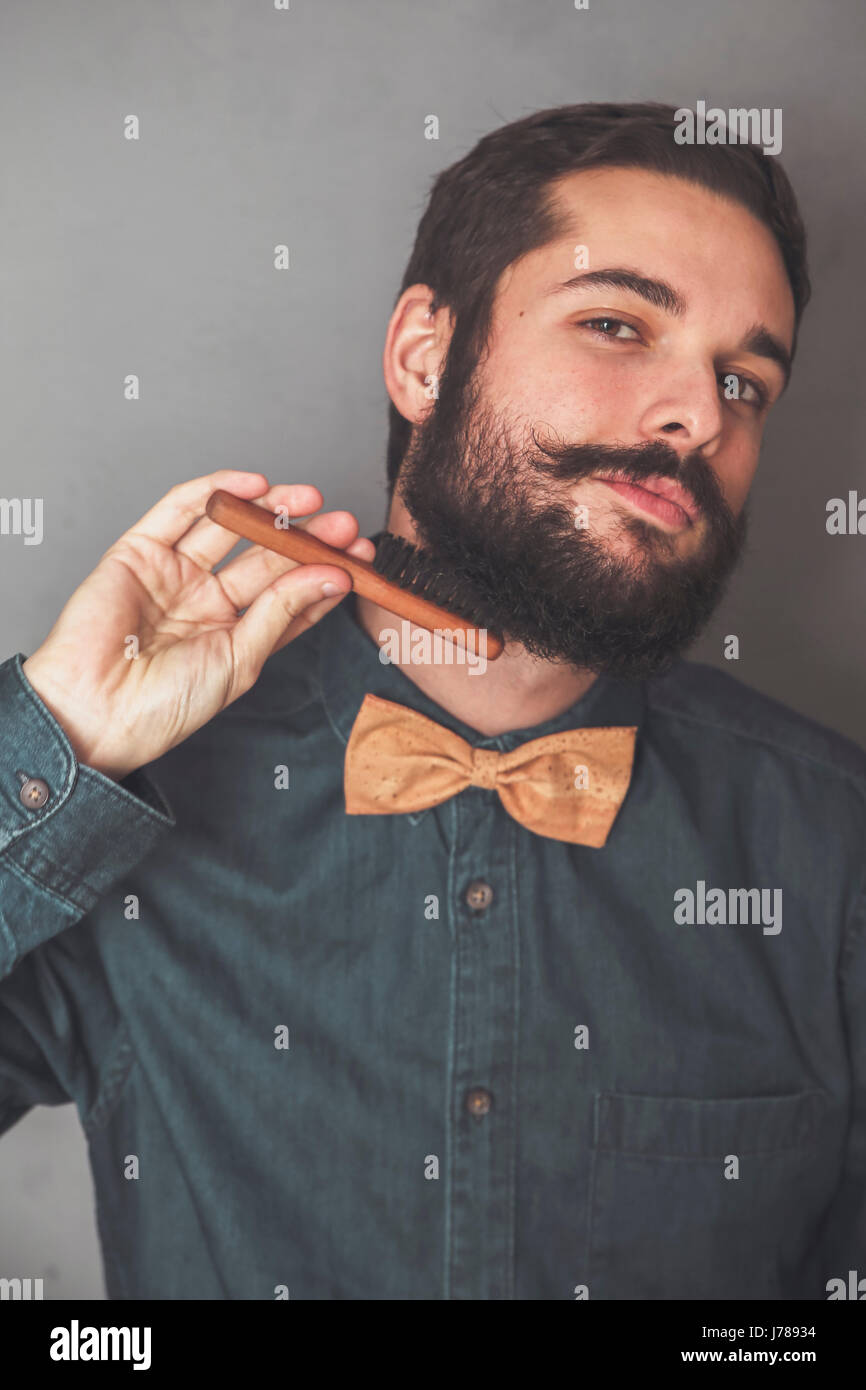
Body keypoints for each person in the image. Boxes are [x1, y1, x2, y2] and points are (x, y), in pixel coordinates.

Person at [1, 103, 862, 1301]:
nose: (698, 416)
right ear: (422, 357)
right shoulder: (124, 806)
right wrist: (49, 741)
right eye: (615, 323)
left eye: (742, 380)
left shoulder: (833, 845)